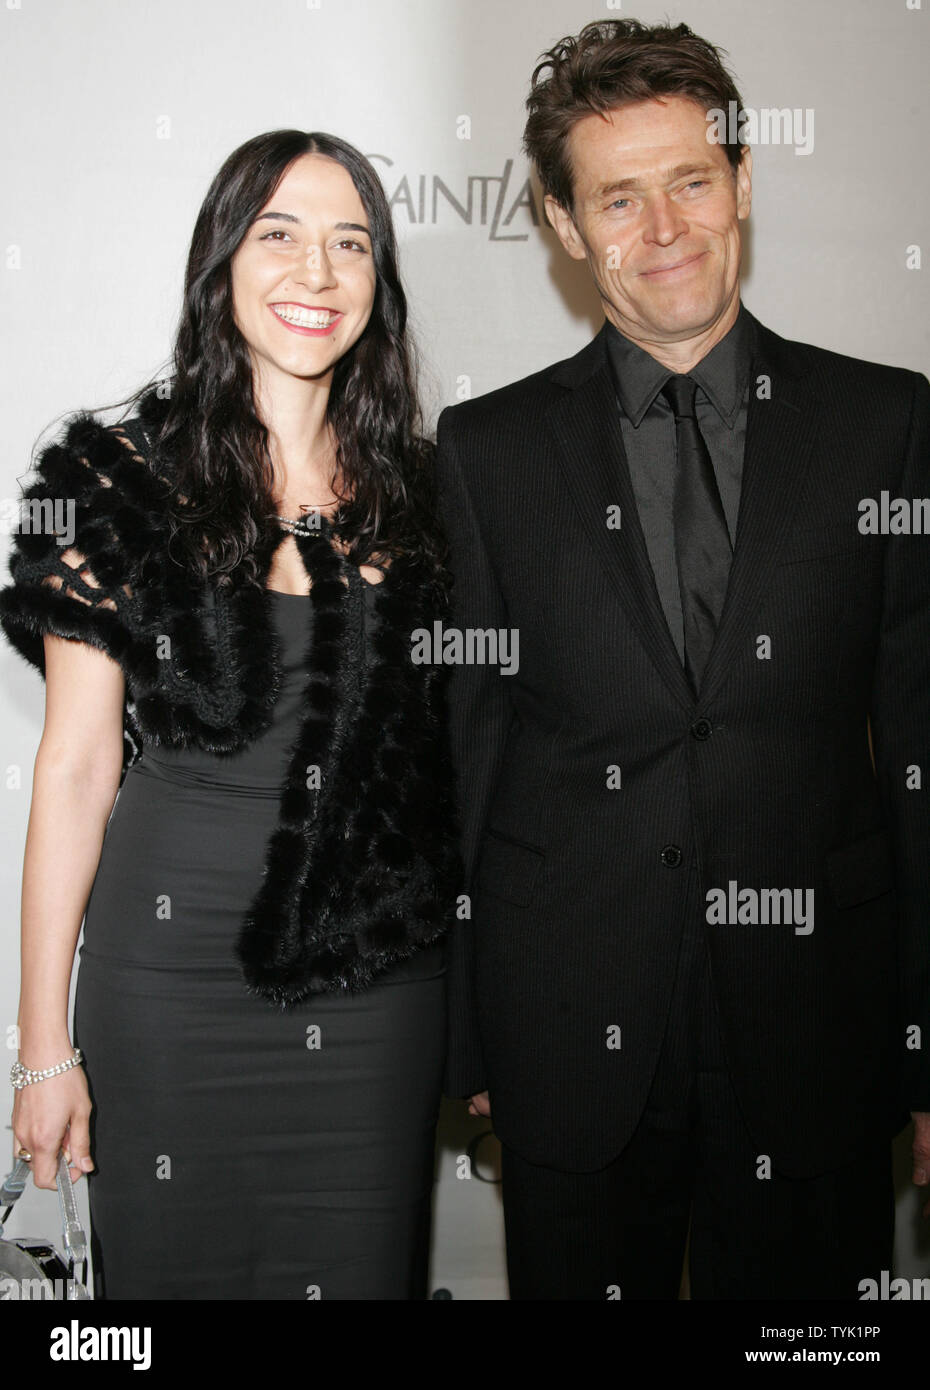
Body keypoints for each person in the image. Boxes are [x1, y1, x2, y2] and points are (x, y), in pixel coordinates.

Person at [436, 18, 930, 1299]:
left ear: (745, 182)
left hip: (819, 1019)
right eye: (618, 195)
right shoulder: (486, 452)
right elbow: (466, 755)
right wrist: (467, 1035)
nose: (663, 227)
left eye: (691, 179)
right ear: (560, 222)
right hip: (567, 1024)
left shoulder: (886, 424)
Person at [1, 129, 460, 1300]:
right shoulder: (113, 479)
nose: (317, 271)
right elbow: (74, 770)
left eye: (350, 243)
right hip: (168, 987)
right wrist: (42, 1047)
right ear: (223, 264)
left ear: (378, 284)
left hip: (376, 999)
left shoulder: (429, 495)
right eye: (281, 235)